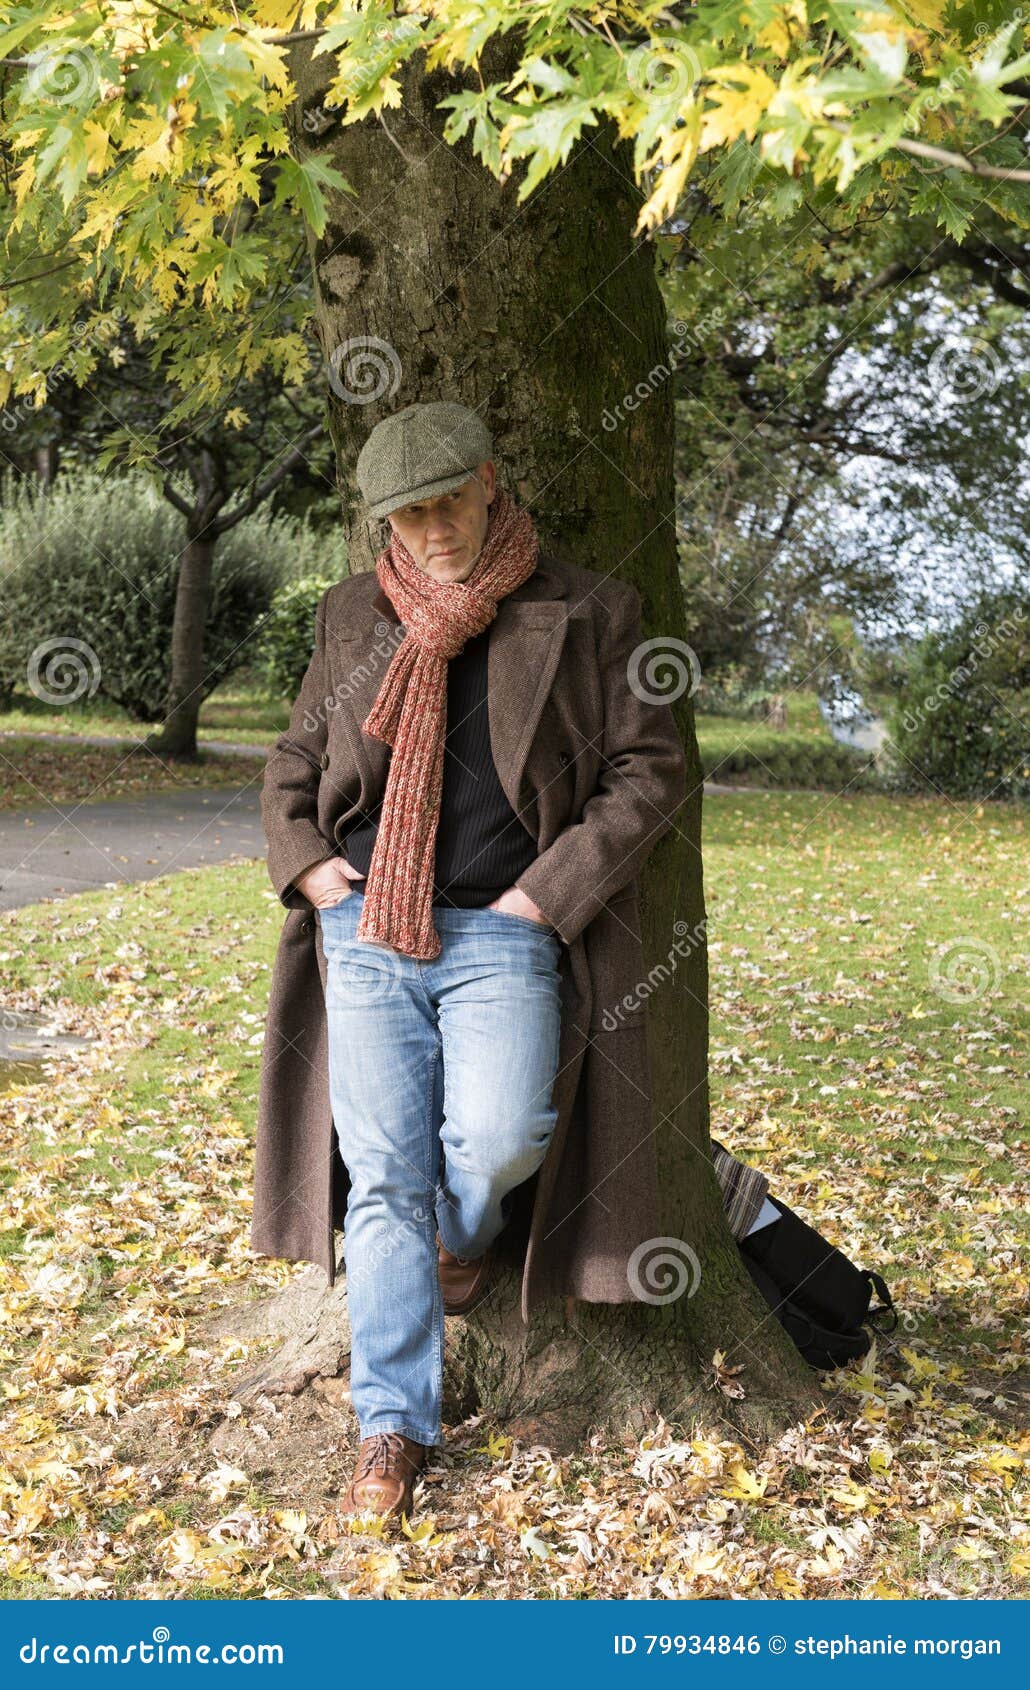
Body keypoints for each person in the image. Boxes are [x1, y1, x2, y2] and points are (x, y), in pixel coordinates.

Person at [258, 399, 694, 1520]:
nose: (433, 526)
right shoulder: (354, 614)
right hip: (366, 927)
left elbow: (651, 770)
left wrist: (542, 899)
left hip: (506, 927)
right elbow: (295, 757)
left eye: (448, 498)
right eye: (407, 512)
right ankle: (391, 1426)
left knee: (500, 1137)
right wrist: (309, 866)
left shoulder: (590, 609)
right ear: (382, 523)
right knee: (383, 1178)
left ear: (490, 480)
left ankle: (466, 1237)